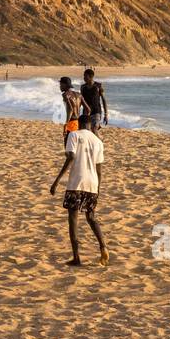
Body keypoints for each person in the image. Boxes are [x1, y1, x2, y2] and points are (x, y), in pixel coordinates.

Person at [49, 114, 108, 266]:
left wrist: (56, 181)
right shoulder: (98, 141)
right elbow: (99, 170)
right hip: (93, 183)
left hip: (76, 182)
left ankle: (76, 257)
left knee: (73, 219)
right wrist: (97, 189)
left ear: (79, 124)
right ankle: (103, 246)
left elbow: (70, 157)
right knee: (91, 217)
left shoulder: (74, 135)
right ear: (90, 125)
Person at [80, 69, 109, 133]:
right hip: (86, 112)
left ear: (91, 77)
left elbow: (103, 100)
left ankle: (98, 140)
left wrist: (106, 114)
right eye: (84, 76)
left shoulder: (98, 86)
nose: (84, 78)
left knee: (94, 128)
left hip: (96, 111)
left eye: (85, 76)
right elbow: (81, 100)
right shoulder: (83, 87)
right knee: (87, 130)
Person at [58, 76, 83, 145]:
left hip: (71, 123)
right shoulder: (78, 94)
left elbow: (71, 109)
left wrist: (66, 124)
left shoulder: (65, 94)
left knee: (68, 146)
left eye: (61, 84)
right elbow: (88, 109)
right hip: (78, 122)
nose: (60, 86)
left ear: (65, 85)